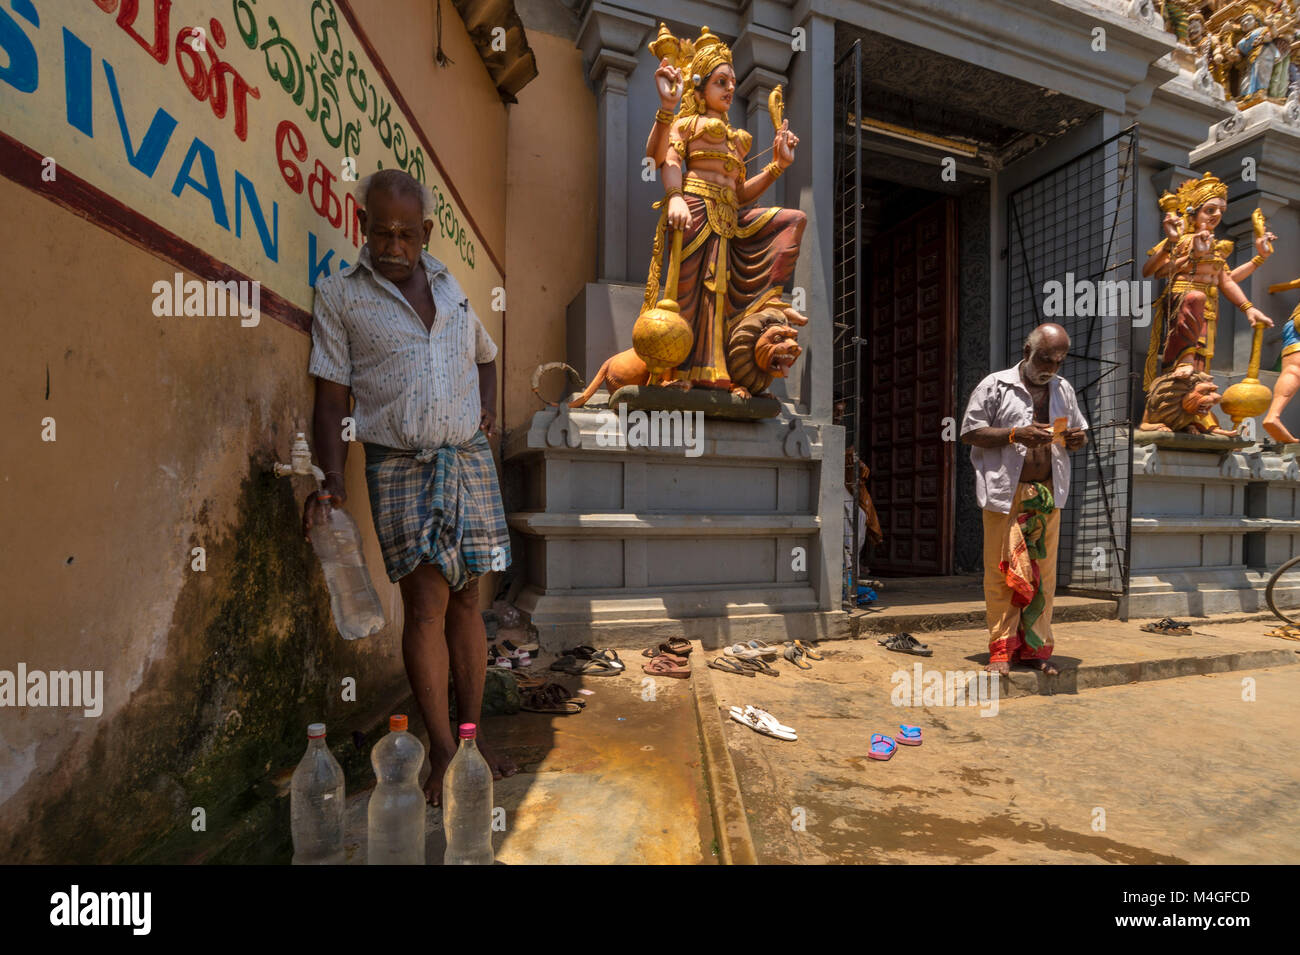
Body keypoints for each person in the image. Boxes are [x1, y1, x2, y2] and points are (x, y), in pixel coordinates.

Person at [302, 168, 517, 804]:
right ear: (362, 225)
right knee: (426, 605)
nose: (392, 246)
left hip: (468, 458)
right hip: (398, 464)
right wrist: (332, 478)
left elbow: (486, 356)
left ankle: (472, 739)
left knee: (468, 601)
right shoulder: (341, 295)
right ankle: (443, 750)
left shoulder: (451, 287)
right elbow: (331, 394)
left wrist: (486, 411)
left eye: (405, 234)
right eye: (379, 232)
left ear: (425, 233)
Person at [642, 25, 807, 391]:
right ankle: (672, 371)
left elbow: (740, 193)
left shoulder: (736, 141)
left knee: (720, 295)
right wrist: (674, 197)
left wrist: (778, 165)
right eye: (721, 82)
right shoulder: (686, 124)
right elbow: (664, 159)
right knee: (685, 296)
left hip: (726, 219)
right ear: (699, 86)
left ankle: (714, 370)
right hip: (694, 213)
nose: (730, 88)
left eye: (731, 82)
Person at [960, 324, 1089, 676]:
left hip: (1047, 494)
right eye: (1045, 358)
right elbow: (970, 431)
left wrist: (1076, 440)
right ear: (1026, 350)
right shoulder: (995, 385)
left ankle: (1034, 650)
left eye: (1059, 361)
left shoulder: (1063, 389)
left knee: (1043, 576)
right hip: (1006, 494)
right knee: (1003, 573)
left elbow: (1073, 434)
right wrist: (1015, 433)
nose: (1051, 367)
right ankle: (1001, 651)